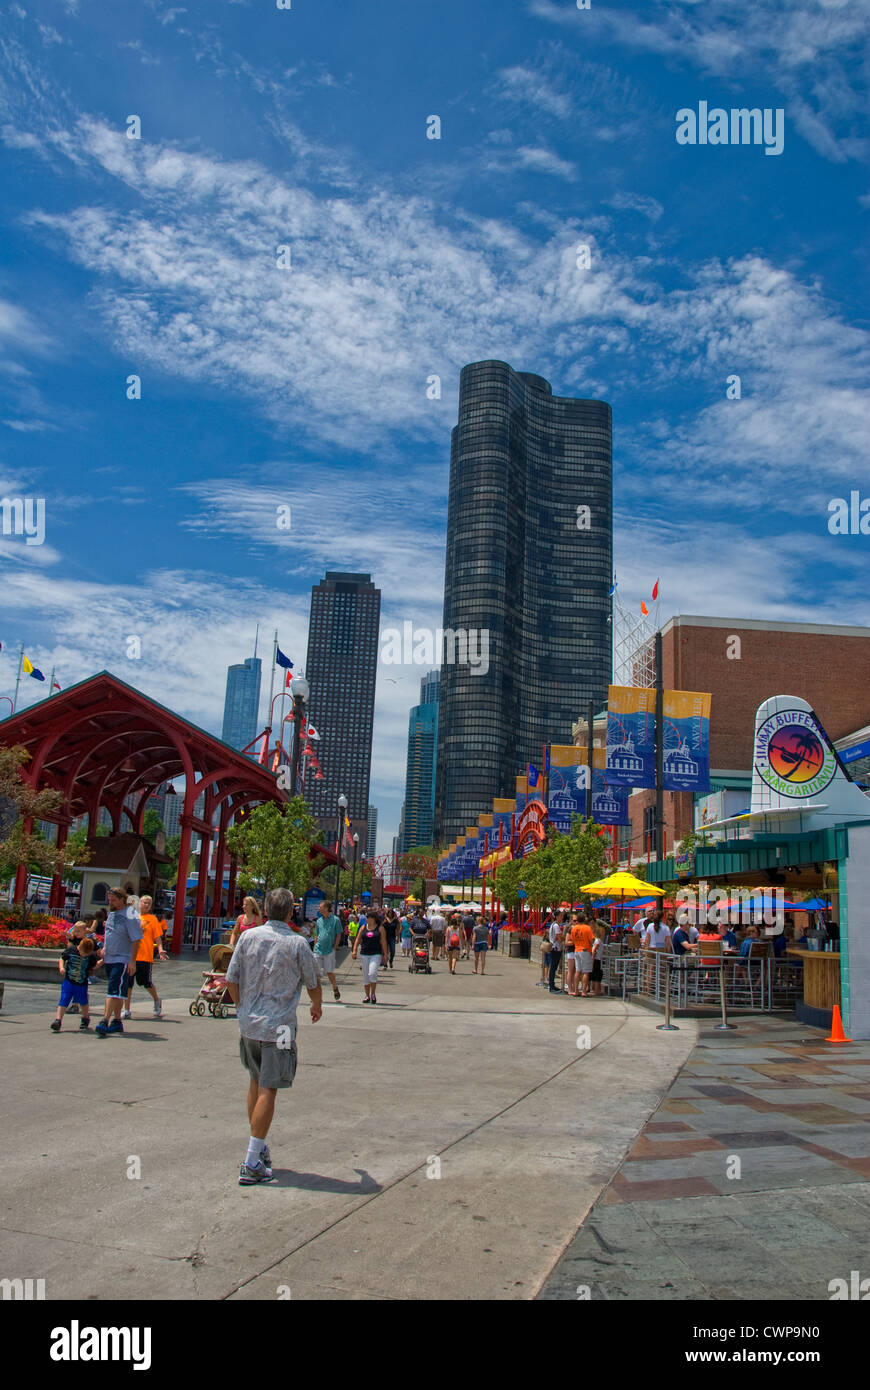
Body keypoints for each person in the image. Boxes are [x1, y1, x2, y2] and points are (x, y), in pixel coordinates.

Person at [224, 887, 322, 1185]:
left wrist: (242, 1007)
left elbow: (231, 979)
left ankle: (259, 1143)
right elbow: (313, 981)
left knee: (255, 1080)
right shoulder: (298, 943)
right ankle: (252, 1160)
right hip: (278, 1025)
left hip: (250, 1023)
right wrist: (316, 1005)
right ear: (291, 911)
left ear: (265, 909)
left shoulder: (248, 937)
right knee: (269, 1087)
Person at [95, 887, 143, 1037]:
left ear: (123, 899)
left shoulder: (130, 914)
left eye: (114, 900)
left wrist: (133, 961)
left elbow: (136, 939)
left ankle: (105, 1019)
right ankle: (117, 1021)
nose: (111, 902)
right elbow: (110, 934)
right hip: (110, 956)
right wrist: (104, 949)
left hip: (122, 958)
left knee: (113, 991)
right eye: (109, 900)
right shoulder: (112, 914)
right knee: (117, 992)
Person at [122, 895, 168, 1020]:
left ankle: (157, 1000)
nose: (146, 905)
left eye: (149, 903)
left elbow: (157, 937)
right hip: (131, 956)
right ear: (139, 903)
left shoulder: (152, 919)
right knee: (128, 983)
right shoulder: (131, 917)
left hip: (145, 956)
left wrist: (160, 949)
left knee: (145, 983)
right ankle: (126, 1009)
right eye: (144, 902)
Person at [51, 935, 98, 1031]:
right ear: (79, 947)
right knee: (64, 999)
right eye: (82, 953)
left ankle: (85, 1018)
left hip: (81, 983)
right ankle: (58, 1020)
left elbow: (94, 966)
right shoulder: (71, 950)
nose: (83, 955)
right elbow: (62, 958)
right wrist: (62, 967)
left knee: (83, 1001)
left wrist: (103, 961)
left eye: (86, 954)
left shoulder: (91, 956)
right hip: (69, 981)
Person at [353, 910, 388, 1003]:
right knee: (365, 975)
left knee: (372, 973)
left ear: (373, 919)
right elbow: (358, 939)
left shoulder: (380, 928)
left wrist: (385, 954)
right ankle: (367, 995)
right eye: (366, 918)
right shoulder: (363, 927)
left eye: (368, 917)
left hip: (375, 954)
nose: (366, 919)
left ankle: (373, 994)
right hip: (364, 953)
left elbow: (383, 942)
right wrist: (354, 950)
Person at [313, 900, 342, 1002]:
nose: (319, 908)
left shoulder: (335, 920)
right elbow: (317, 934)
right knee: (316, 973)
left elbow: (339, 934)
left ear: (326, 908)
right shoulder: (319, 921)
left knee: (329, 972)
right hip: (318, 950)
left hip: (329, 950)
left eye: (320, 906)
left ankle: (335, 988)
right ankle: (316, 995)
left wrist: (335, 947)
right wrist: (314, 946)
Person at [571, 915, 597, 998]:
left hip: (577, 949)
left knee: (578, 970)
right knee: (586, 972)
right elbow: (591, 939)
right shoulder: (587, 928)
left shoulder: (574, 928)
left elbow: (573, 940)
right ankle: (584, 991)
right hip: (585, 950)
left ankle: (576, 990)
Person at [547, 914, 564, 993]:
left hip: (553, 947)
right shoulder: (556, 926)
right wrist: (562, 938)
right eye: (561, 916)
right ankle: (552, 986)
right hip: (556, 948)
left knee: (553, 968)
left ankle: (552, 984)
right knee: (553, 968)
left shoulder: (552, 925)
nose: (562, 917)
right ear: (557, 916)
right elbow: (559, 938)